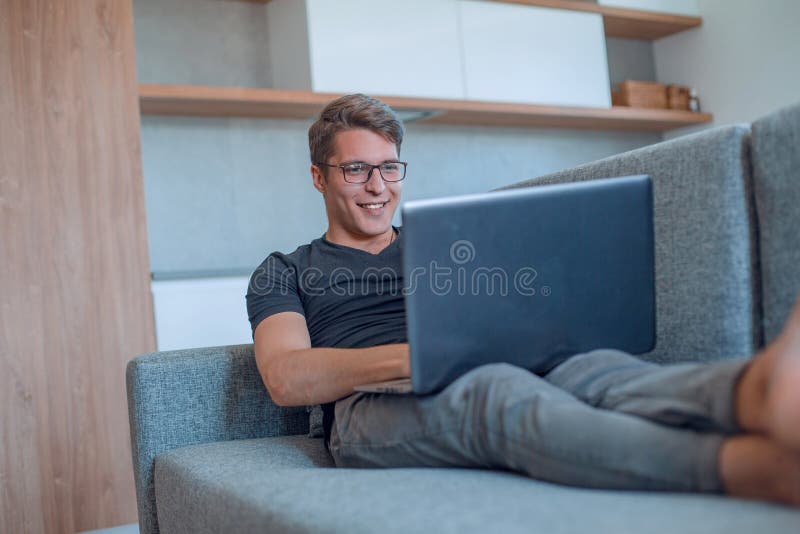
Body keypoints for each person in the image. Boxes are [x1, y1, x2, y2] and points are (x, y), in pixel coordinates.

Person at [246, 93, 800, 505]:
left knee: (595, 370)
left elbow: (508, 318)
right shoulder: (286, 271)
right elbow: (287, 377)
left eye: (389, 167)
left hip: (483, 363)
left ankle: (758, 390)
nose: (377, 186)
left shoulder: (446, 241)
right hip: (367, 411)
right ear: (319, 177)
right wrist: (419, 358)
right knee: (495, 392)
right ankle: (753, 468)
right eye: (356, 169)